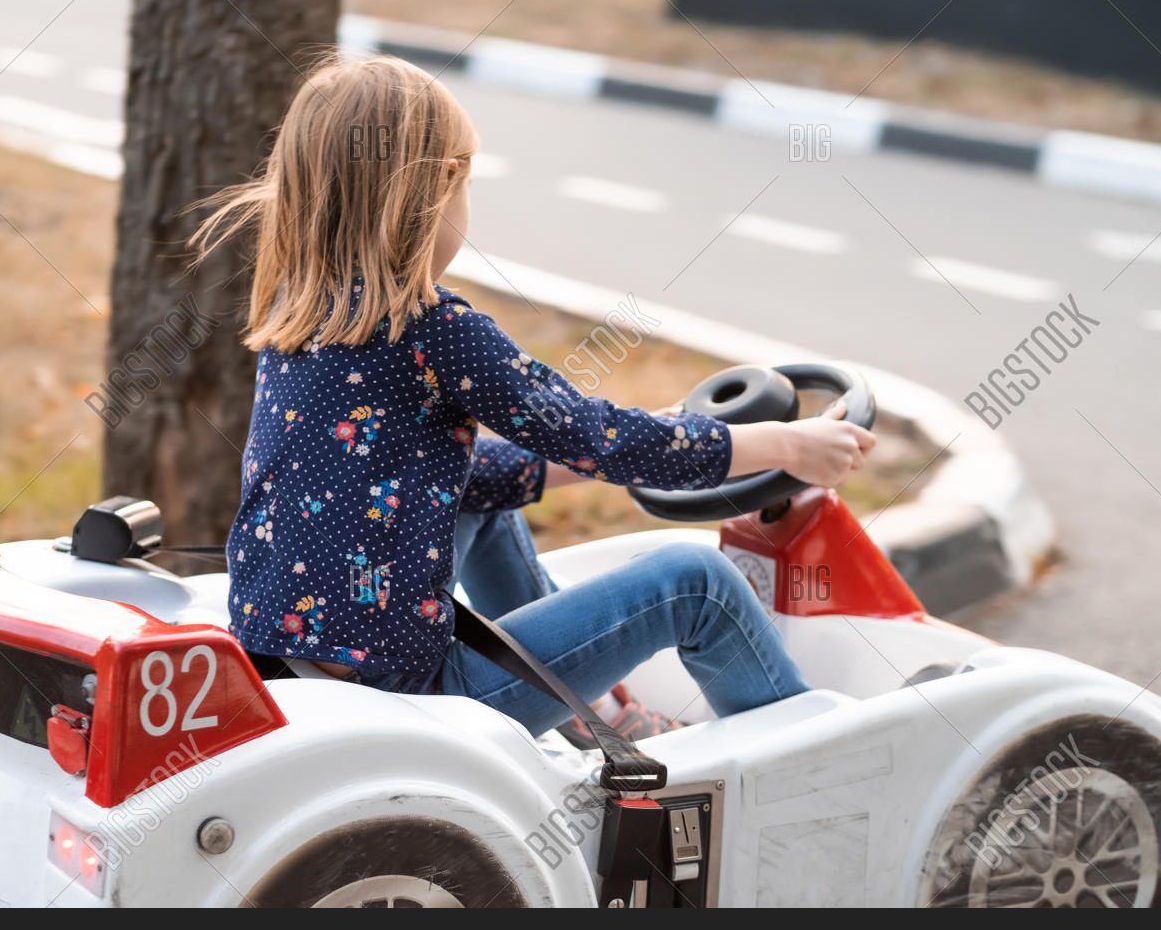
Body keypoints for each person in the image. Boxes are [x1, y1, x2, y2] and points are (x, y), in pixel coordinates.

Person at [193, 55, 875, 737]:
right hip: (412, 690)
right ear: (433, 194)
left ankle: (590, 717)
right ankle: (803, 759)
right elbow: (596, 438)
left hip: (292, 663)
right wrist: (788, 444)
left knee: (478, 492)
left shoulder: (303, 314)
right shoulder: (435, 330)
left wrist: (655, 432)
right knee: (694, 582)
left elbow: (424, 470)